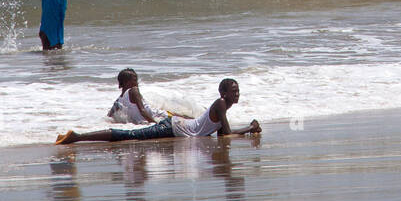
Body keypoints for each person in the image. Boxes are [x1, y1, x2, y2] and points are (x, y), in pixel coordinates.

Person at [56, 78, 261, 144]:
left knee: (130, 137)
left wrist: (248, 129)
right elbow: (226, 134)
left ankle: (77, 137)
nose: (237, 95)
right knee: (128, 136)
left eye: (238, 91)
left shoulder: (222, 105)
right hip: (173, 127)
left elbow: (218, 134)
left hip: (177, 127)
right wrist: (250, 128)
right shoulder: (221, 104)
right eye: (233, 91)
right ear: (222, 93)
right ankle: (77, 137)